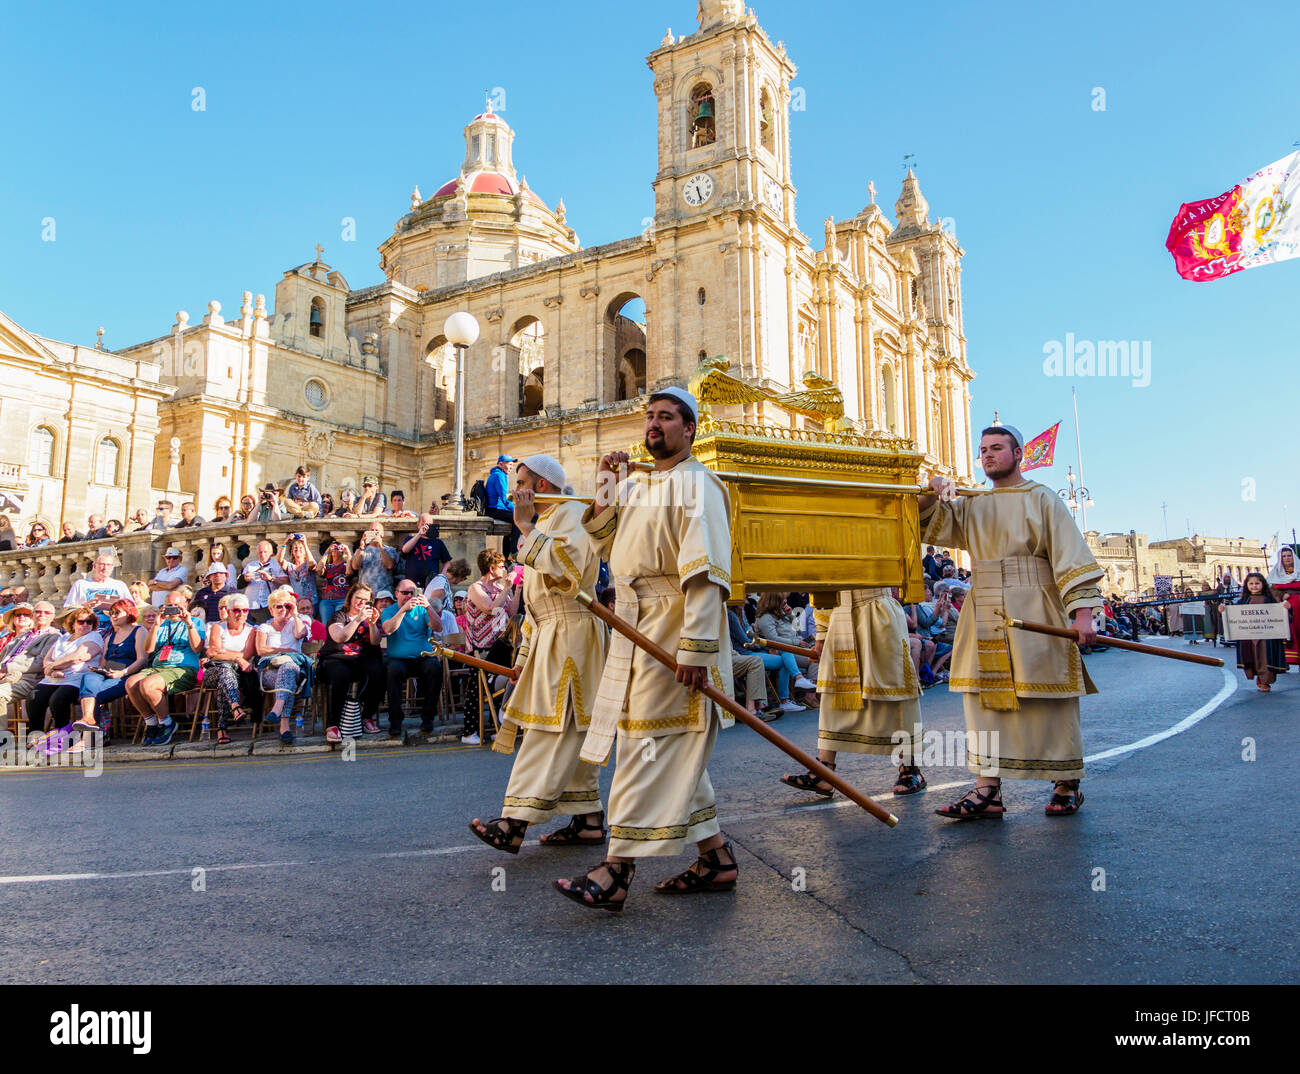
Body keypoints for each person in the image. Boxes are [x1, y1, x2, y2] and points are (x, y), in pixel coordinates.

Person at [554, 387, 736, 913]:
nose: (654, 424)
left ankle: (616, 870)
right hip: (637, 630)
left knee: (644, 747)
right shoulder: (641, 485)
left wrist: (696, 651)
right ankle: (717, 858)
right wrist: (609, 484)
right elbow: (603, 542)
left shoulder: (699, 485)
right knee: (669, 746)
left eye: (666, 417)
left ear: (690, 429)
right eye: (650, 416)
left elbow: (706, 575)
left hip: (675, 633)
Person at [919, 425, 1101, 821]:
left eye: (997, 448)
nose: (987, 455)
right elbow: (926, 522)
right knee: (984, 700)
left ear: (1019, 453)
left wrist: (1083, 612)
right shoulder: (971, 503)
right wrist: (930, 491)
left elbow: (1071, 556)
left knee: (1048, 696)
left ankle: (1066, 782)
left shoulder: (1042, 498)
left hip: (1034, 603)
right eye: (982, 449)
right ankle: (988, 789)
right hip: (982, 606)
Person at [468, 454, 607, 853]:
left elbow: (568, 574)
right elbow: (537, 603)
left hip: (574, 634)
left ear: (541, 487)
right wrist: (524, 653)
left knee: (553, 727)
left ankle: (513, 823)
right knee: (570, 728)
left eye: (521, 482)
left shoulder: (572, 516)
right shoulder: (544, 524)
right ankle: (588, 819)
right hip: (551, 634)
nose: (513, 491)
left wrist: (526, 528)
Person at [781, 587, 927, 800]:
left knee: (893, 692)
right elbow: (821, 582)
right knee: (834, 695)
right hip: (839, 615)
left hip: (879, 611)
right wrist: (821, 634)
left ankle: (910, 768)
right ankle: (824, 771)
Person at [125, 590, 205, 746]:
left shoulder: (195, 621)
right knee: (131, 683)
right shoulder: (161, 624)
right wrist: (155, 626)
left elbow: (197, 648)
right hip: (158, 668)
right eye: (169, 606)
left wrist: (189, 623)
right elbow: (148, 649)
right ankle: (152, 722)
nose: (173, 609)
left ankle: (167, 723)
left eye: (177, 605)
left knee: (148, 685)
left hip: (183, 668)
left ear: (185, 605)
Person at [460, 548, 521, 745]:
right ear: (490, 568)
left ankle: (499, 725)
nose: (504, 570)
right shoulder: (476, 588)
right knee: (477, 688)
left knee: (511, 677)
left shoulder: (499, 589)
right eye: (501, 566)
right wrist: (506, 588)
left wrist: (516, 589)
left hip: (500, 645)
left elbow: (511, 611)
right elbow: (490, 608)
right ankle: (469, 732)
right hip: (481, 647)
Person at [318, 583, 386, 742]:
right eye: (358, 598)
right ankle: (332, 725)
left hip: (360, 660)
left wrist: (371, 623)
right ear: (350, 598)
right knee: (340, 675)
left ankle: (366, 717)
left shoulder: (368, 618)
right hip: (336, 658)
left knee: (379, 672)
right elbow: (340, 637)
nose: (361, 603)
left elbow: (376, 642)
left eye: (365, 600)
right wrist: (358, 619)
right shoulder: (339, 616)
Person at [75, 599, 148, 742]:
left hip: (126, 674)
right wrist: (98, 670)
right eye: (111, 613)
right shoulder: (110, 637)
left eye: (117, 613)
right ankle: (89, 720)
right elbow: (103, 662)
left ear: (128, 613)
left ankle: (88, 736)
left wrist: (123, 672)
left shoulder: (139, 631)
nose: (113, 616)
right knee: (88, 678)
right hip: (107, 672)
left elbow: (142, 659)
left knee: (96, 693)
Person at [28, 605, 106, 735]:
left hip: (76, 679)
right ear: (73, 623)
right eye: (81, 621)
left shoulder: (93, 636)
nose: (85, 625)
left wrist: (52, 666)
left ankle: (62, 734)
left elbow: (78, 657)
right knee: (34, 698)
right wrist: (51, 671)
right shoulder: (63, 638)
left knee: (58, 699)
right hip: (53, 678)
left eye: (89, 622)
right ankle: (35, 735)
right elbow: (47, 659)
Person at [381, 580, 444, 738]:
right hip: (398, 659)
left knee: (435, 667)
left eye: (412, 592)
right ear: (396, 594)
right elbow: (388, 629)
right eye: (405, 593)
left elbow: (438, 627)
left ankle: (428, 718)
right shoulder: (389, 611)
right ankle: (395, 721)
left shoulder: (423, 610)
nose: (409, 596)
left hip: (422, 657)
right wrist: (403, 610)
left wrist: (428, 606)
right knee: (393, 671)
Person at [255, 586, 311, 744]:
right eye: (279, 606)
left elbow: (301, 634)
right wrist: (285, 651)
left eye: (287, 606)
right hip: (270, 673)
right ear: (271, 609)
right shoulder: (264, 627)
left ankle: (277, 710)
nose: (283, 610)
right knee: (288, 674)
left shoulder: (295, 623)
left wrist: (295, 613)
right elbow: (261, 650)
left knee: (288, 669)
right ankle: (284, 725)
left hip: (294, 671)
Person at [204, 594, 258, 744]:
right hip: (213, 672)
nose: (241, 614)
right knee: (224, 671)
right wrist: (237, 657)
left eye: (245, 610)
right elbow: (213, 655)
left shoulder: (251, 630)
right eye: (236, 610)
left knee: (226, 674)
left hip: (238, 674)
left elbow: (247, 654)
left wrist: (224, 653)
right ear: (228, 611)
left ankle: (222, 728)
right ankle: (234, 706)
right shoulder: (217, 627)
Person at [0, 602, 62, 717]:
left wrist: (6, 668)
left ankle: (2, 733)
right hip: (6, 676)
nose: (41, 615)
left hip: (27, 679)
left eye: (46, 612)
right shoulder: (23, 635)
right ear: (33, 615)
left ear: (52, 617)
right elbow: (3, 656)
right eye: (38, 612)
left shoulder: (54, 636)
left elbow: (39, 663)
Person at [1233, 572, 1289, 692]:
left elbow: (1281, 617)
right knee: (1253, 656)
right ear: (1246, 585)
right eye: (1251, 583)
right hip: (1249, 635)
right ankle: (1259, 677)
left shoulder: (1269, 601)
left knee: (1265, 657)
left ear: (1263, 585)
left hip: (1267, 636)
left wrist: (1285, 608)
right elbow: (1232, 616)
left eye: (1257, 583)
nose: (1254, 586)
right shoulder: (1243, 601)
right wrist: (1223, 610)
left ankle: (1265, 681)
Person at [63, 551, 133, 628]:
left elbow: (131, 609)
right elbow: (67, 610)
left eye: (108, 565)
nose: (105, 568)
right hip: (87, 630)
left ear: (112, 567)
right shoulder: (81, 584)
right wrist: (85, 606)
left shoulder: (119, 585)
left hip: (115, 631)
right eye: (102, 564)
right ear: (94, 566)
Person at [728, 605, 773, 720]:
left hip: (735, 652)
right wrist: (763, 647)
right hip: (739, 652)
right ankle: (753, 709)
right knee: (757, 662)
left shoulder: (738, 612)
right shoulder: (729, 614)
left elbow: (750, 633)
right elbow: (745, 640)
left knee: (784, 656)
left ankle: (760, 705)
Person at [1266, 546, 1300, 665]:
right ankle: (1285, 661)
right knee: (1287, 633)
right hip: (1284, 608)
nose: (1287, 558)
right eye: (1284, 556)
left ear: (1293, 557)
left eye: (1289, 555)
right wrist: (1280, 595)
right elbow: (1270, 591)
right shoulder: (1276, 574)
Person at [240, 541, 288, 623]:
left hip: (266, 606)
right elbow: (239, 585)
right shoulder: (250, 565)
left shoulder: (276, 565)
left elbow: (286, 582)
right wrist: (245, 578)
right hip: (249, 605)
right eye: (260, 552)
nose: (262, 555)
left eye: (265, 552)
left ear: (271, 552)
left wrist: (271, 579)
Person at [401, 514, 452, 591]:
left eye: (429, 525)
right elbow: (405, 550)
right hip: (412, 584)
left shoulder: (438, 543)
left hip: (431, 583)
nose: (426, 527)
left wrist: (442, 576)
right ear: (418, 525)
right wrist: (419, 534)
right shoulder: (410, 539)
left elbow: (447, 561)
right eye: (423, 524)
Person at [484, 455, 519, 557]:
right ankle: (513, 552)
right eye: (509, 464)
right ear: (501, 464)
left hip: (496, 509)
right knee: (517, 519)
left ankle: (507, 554)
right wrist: (516, 510)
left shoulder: (498, 474)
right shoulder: (499, 476)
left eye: (512, 464)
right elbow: (505, 499)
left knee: (511, 523)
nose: (512, 467)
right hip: (494, 509)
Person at [351, 524, 396, 596]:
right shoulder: (361, 550)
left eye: (377, 531)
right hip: (365, 592)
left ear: (382, 534)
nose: (374, 533)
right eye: (372, 531)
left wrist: (380, 546)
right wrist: (362, 546)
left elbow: (389, 565)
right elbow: (355, 566)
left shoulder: (389, 550)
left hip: (383, 593)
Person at [315, 540, 352, 624]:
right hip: (326, 601)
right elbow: (318, 570)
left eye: (338, 548)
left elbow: (349, 572)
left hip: (342, 600)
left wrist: (348, 552)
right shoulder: (328, 566)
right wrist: (327, 551)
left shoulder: (346, 565)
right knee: (326, 623)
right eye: (334, 547)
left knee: (338, 623)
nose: (335, 549)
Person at [279, 534, 318, 612]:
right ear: (292, 551)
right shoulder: (290, 566)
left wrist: (305, 544)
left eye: (300, 548)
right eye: (295, 548)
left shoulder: (307, 564)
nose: (298, 549)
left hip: (310, 602)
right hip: (296, 603)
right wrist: (285, 543)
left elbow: (312, 563)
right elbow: (279, 560)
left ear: (304, 552)